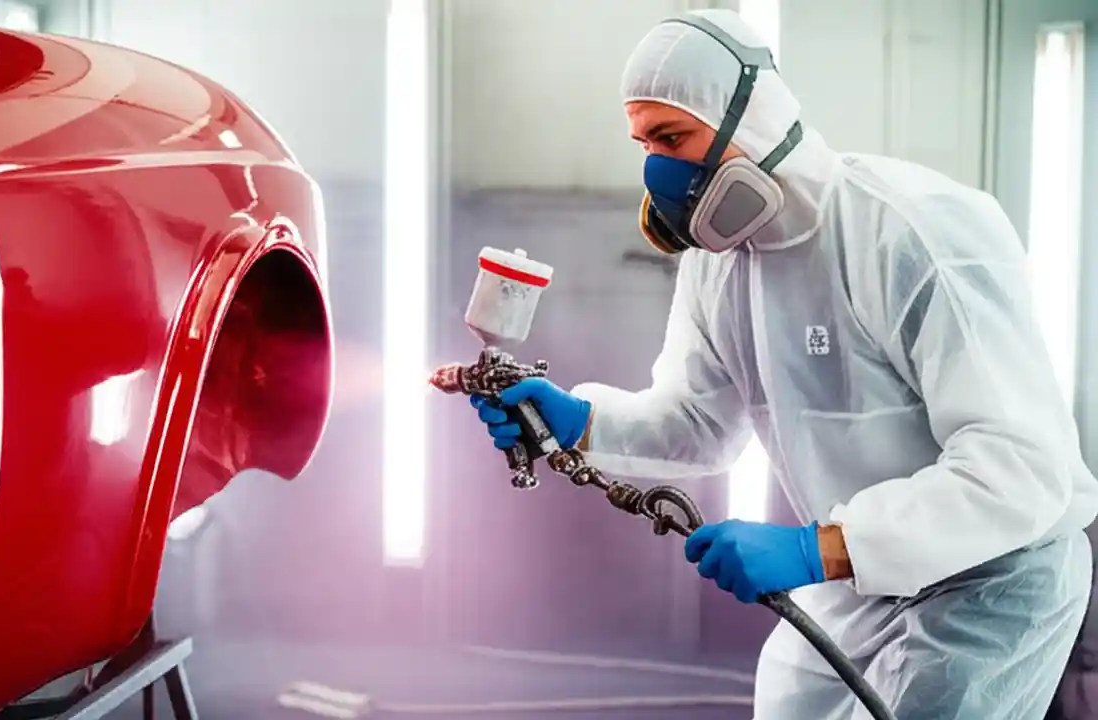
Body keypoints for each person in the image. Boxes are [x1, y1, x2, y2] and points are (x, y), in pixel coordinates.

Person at [470, 9, 1098, 719]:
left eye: (673, 138)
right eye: (645, 143)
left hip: (989, 579)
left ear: (748, 121)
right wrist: (581, 419)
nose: (658, 169)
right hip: (853, 582)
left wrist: (816, 549)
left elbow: (1022, 468)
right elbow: (698, 423)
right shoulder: (718, 266)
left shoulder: (914, 231)